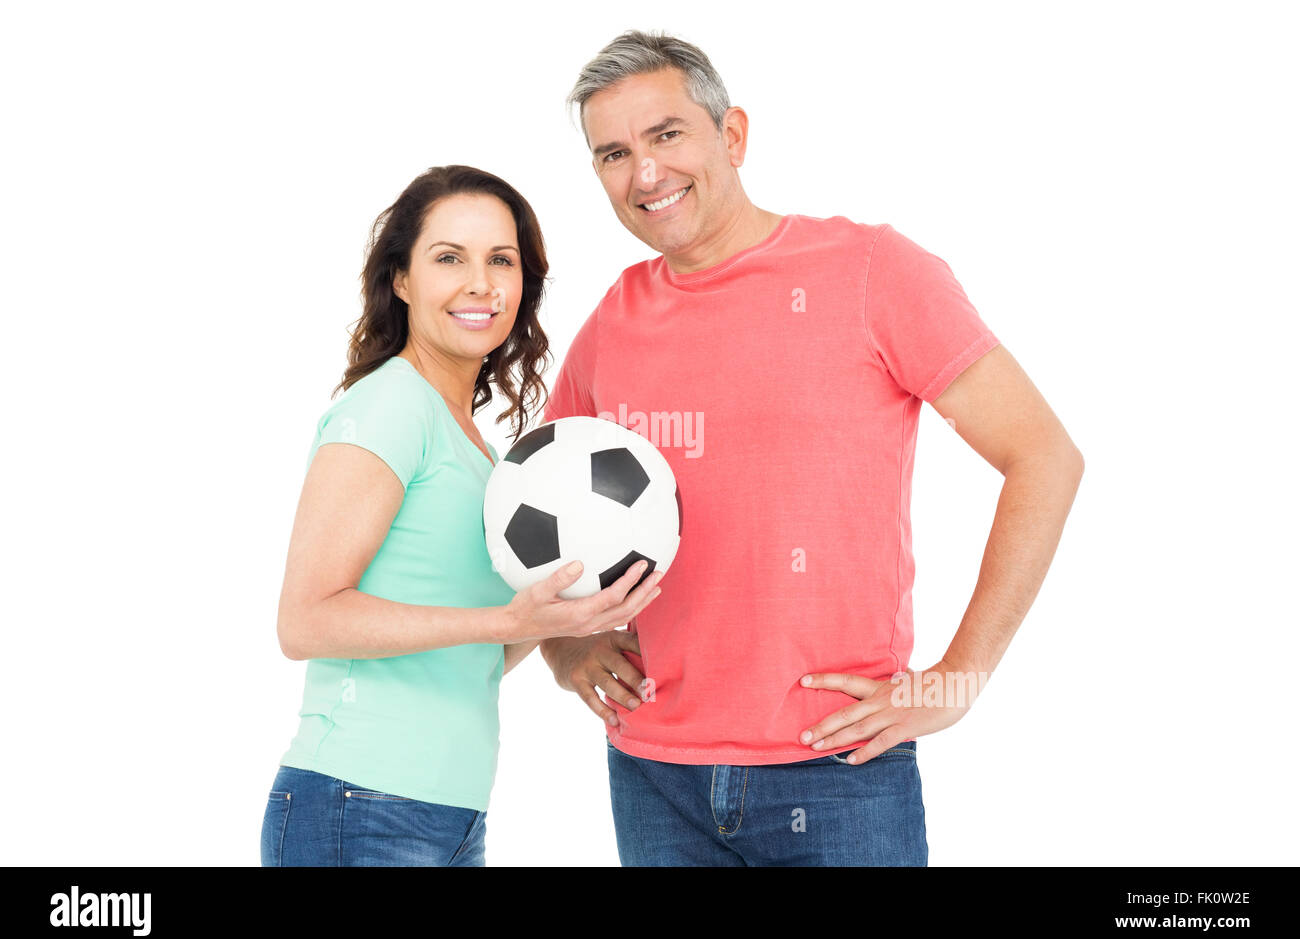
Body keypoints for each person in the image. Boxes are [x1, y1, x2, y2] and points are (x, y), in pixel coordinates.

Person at [539, 32, 1085, 866]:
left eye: (667, 135)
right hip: (652, 772)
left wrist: (958, 677)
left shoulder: (870, 270)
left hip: (841, 765)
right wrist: (563, 645)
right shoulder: (615, 319)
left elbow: (1043, 455)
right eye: (613, 152)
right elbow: (535, 505)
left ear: (733, 136)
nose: (644, 173)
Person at [260, 165, 663, 867]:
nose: (481, 283)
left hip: (445, 817)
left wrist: (557, 620)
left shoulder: (485, 453)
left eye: (500, 261)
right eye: (449, 258)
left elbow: (465, 658)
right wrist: (506, 622)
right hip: (358, 805)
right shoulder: (387, 408)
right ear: (402, 281)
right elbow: (305, 621)